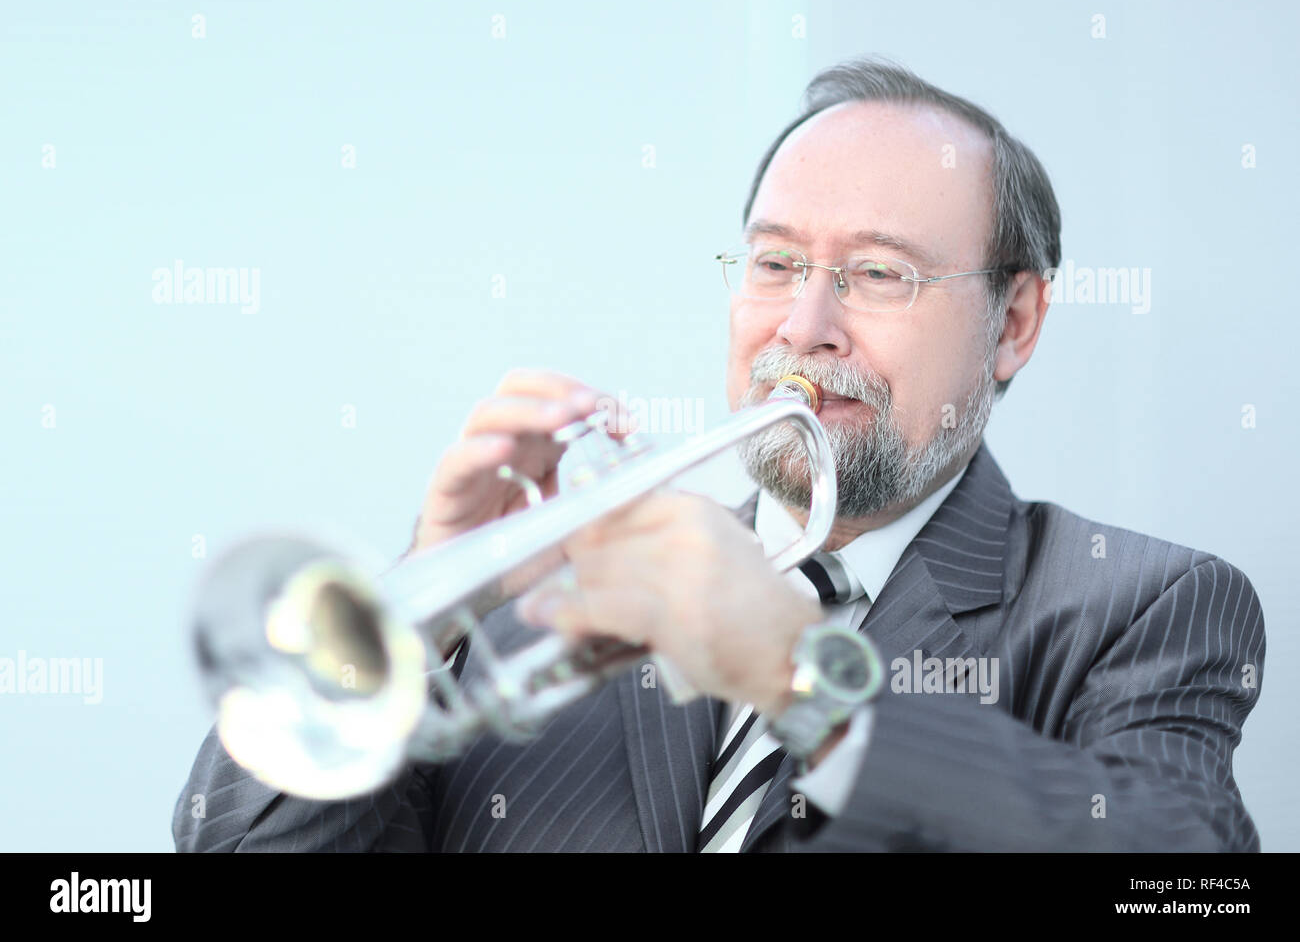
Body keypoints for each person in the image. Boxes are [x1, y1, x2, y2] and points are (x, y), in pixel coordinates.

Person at [173, 56, 1264, 852]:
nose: (804, 326)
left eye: (878, 273)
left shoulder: (1134, 605)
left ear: (1015, 320)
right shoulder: (536, 616)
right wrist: (424, 590)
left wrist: (805, 680)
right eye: (776, 263)